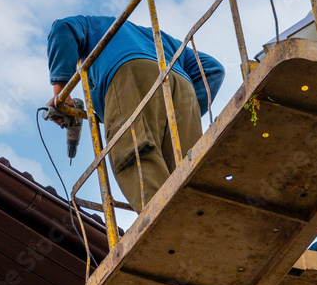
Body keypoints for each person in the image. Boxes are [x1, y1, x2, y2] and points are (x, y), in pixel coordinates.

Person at [47, 15, 224, 212]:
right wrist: (176, 115)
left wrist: (61, 94)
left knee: (134, 152)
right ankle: (198, 218)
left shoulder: (92, 25)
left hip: (130, 73)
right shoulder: (155, 36)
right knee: (185, 167)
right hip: (182, 86)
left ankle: (166, 221)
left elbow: (63, 27)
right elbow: (212, 68)